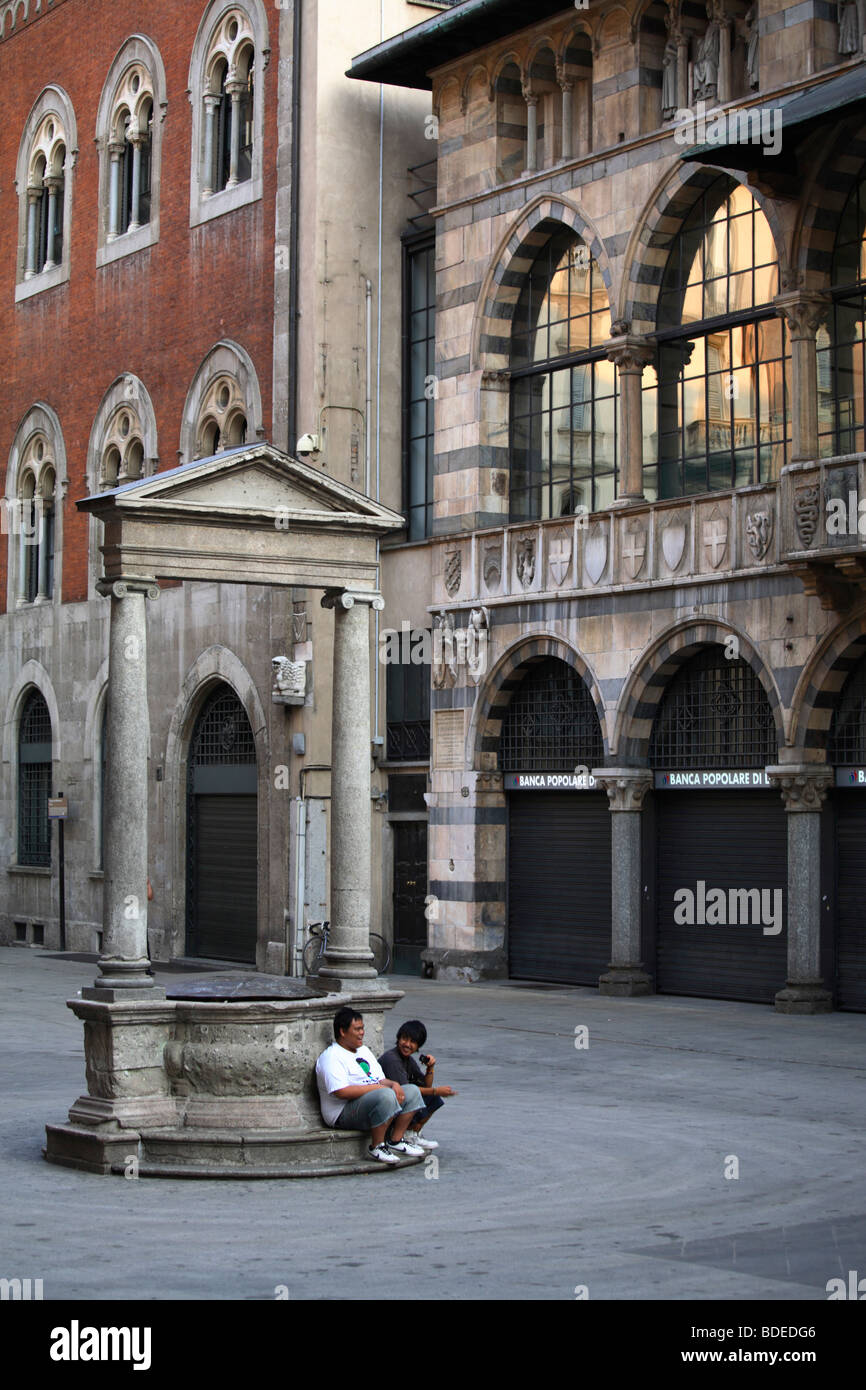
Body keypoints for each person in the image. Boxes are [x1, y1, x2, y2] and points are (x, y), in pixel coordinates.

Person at [315, 1006, 426, 1165]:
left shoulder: (364, 1051)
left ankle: (396, 1140)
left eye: (362, 1028)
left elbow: (380, 1080)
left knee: (412, 1091)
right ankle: (377, 1146)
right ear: (343, 1031)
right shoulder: (332, 1057)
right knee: (385, 1095)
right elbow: (341, 1092)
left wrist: (394, 1084)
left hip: (370, 1100)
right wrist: (379, 1089)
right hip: (341, 1113)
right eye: (357, 1029)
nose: (362, 1033)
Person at [378, 1019, 457, 1151]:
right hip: (388, 1107)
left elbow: (425, 1086)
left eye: (413, 1042)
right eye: (404, 1039)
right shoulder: (392, 1059)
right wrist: (436, 1090)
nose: (407, 1044)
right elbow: (406, 1091)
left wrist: (430, 1068)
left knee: (433, 1098)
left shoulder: (408, 1060)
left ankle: (412, 1133)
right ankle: (399, 1136)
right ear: (398, 1038)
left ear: (418, 1046)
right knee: (422, 1095)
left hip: (398, 1103)